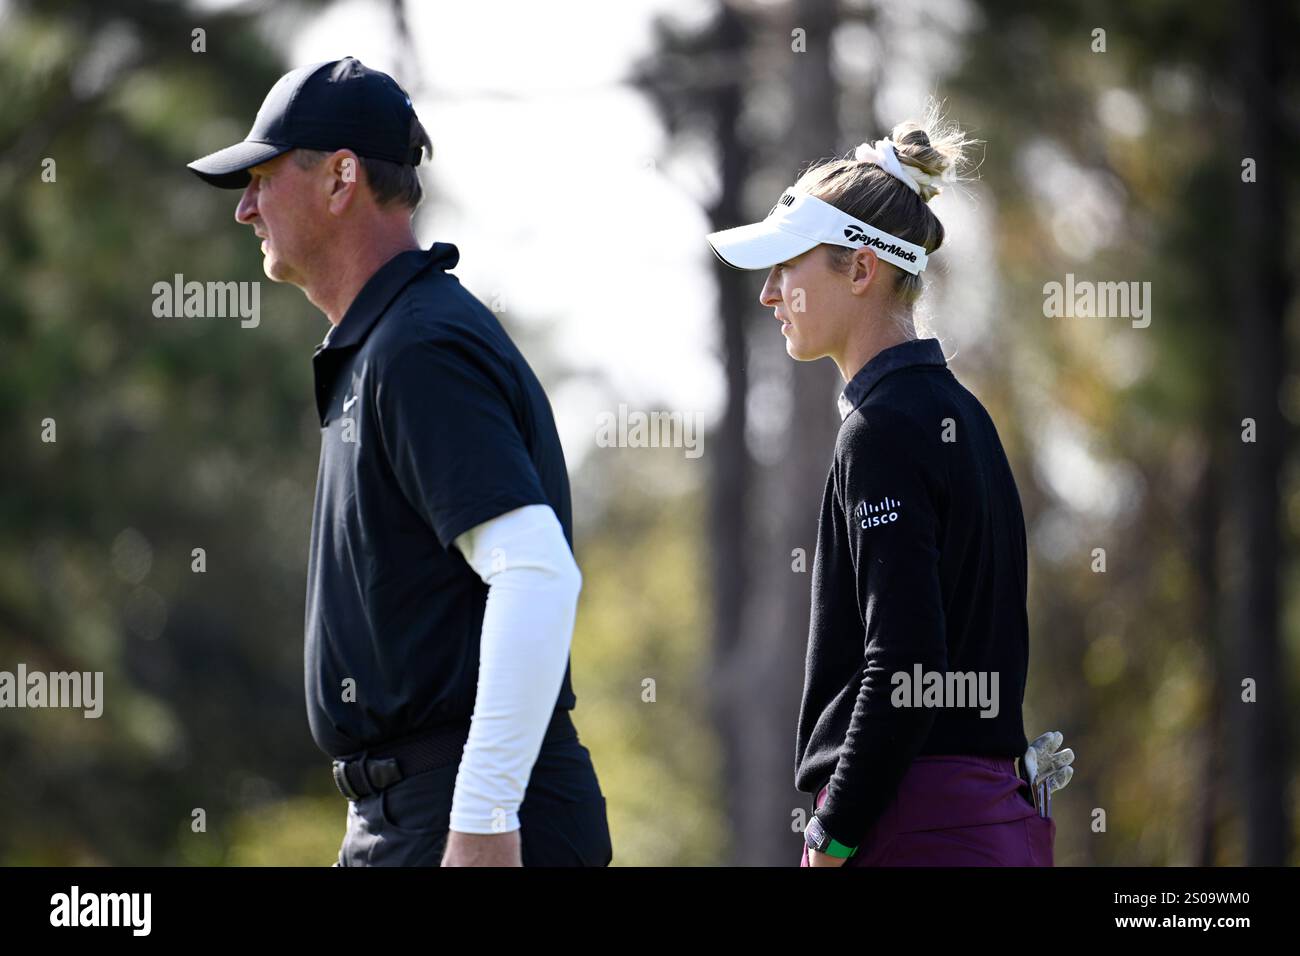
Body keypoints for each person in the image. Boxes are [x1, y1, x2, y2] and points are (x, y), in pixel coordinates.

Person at [187, 57, 611, 867]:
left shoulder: (419, 348)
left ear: (342, 177)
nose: (244, 209)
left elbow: (537, 575)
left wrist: (484, 818)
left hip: (474, 819)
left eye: (264, 178)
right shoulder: (390, 341)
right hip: (418, 815)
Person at [707, 109, 1069, 866]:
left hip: (917, 826)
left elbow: (904, 662)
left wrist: (830, 833)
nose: (771, 295)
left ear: (861, 269)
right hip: (991, 821)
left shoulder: (880, 431)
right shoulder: (963, 416)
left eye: (788, 267)